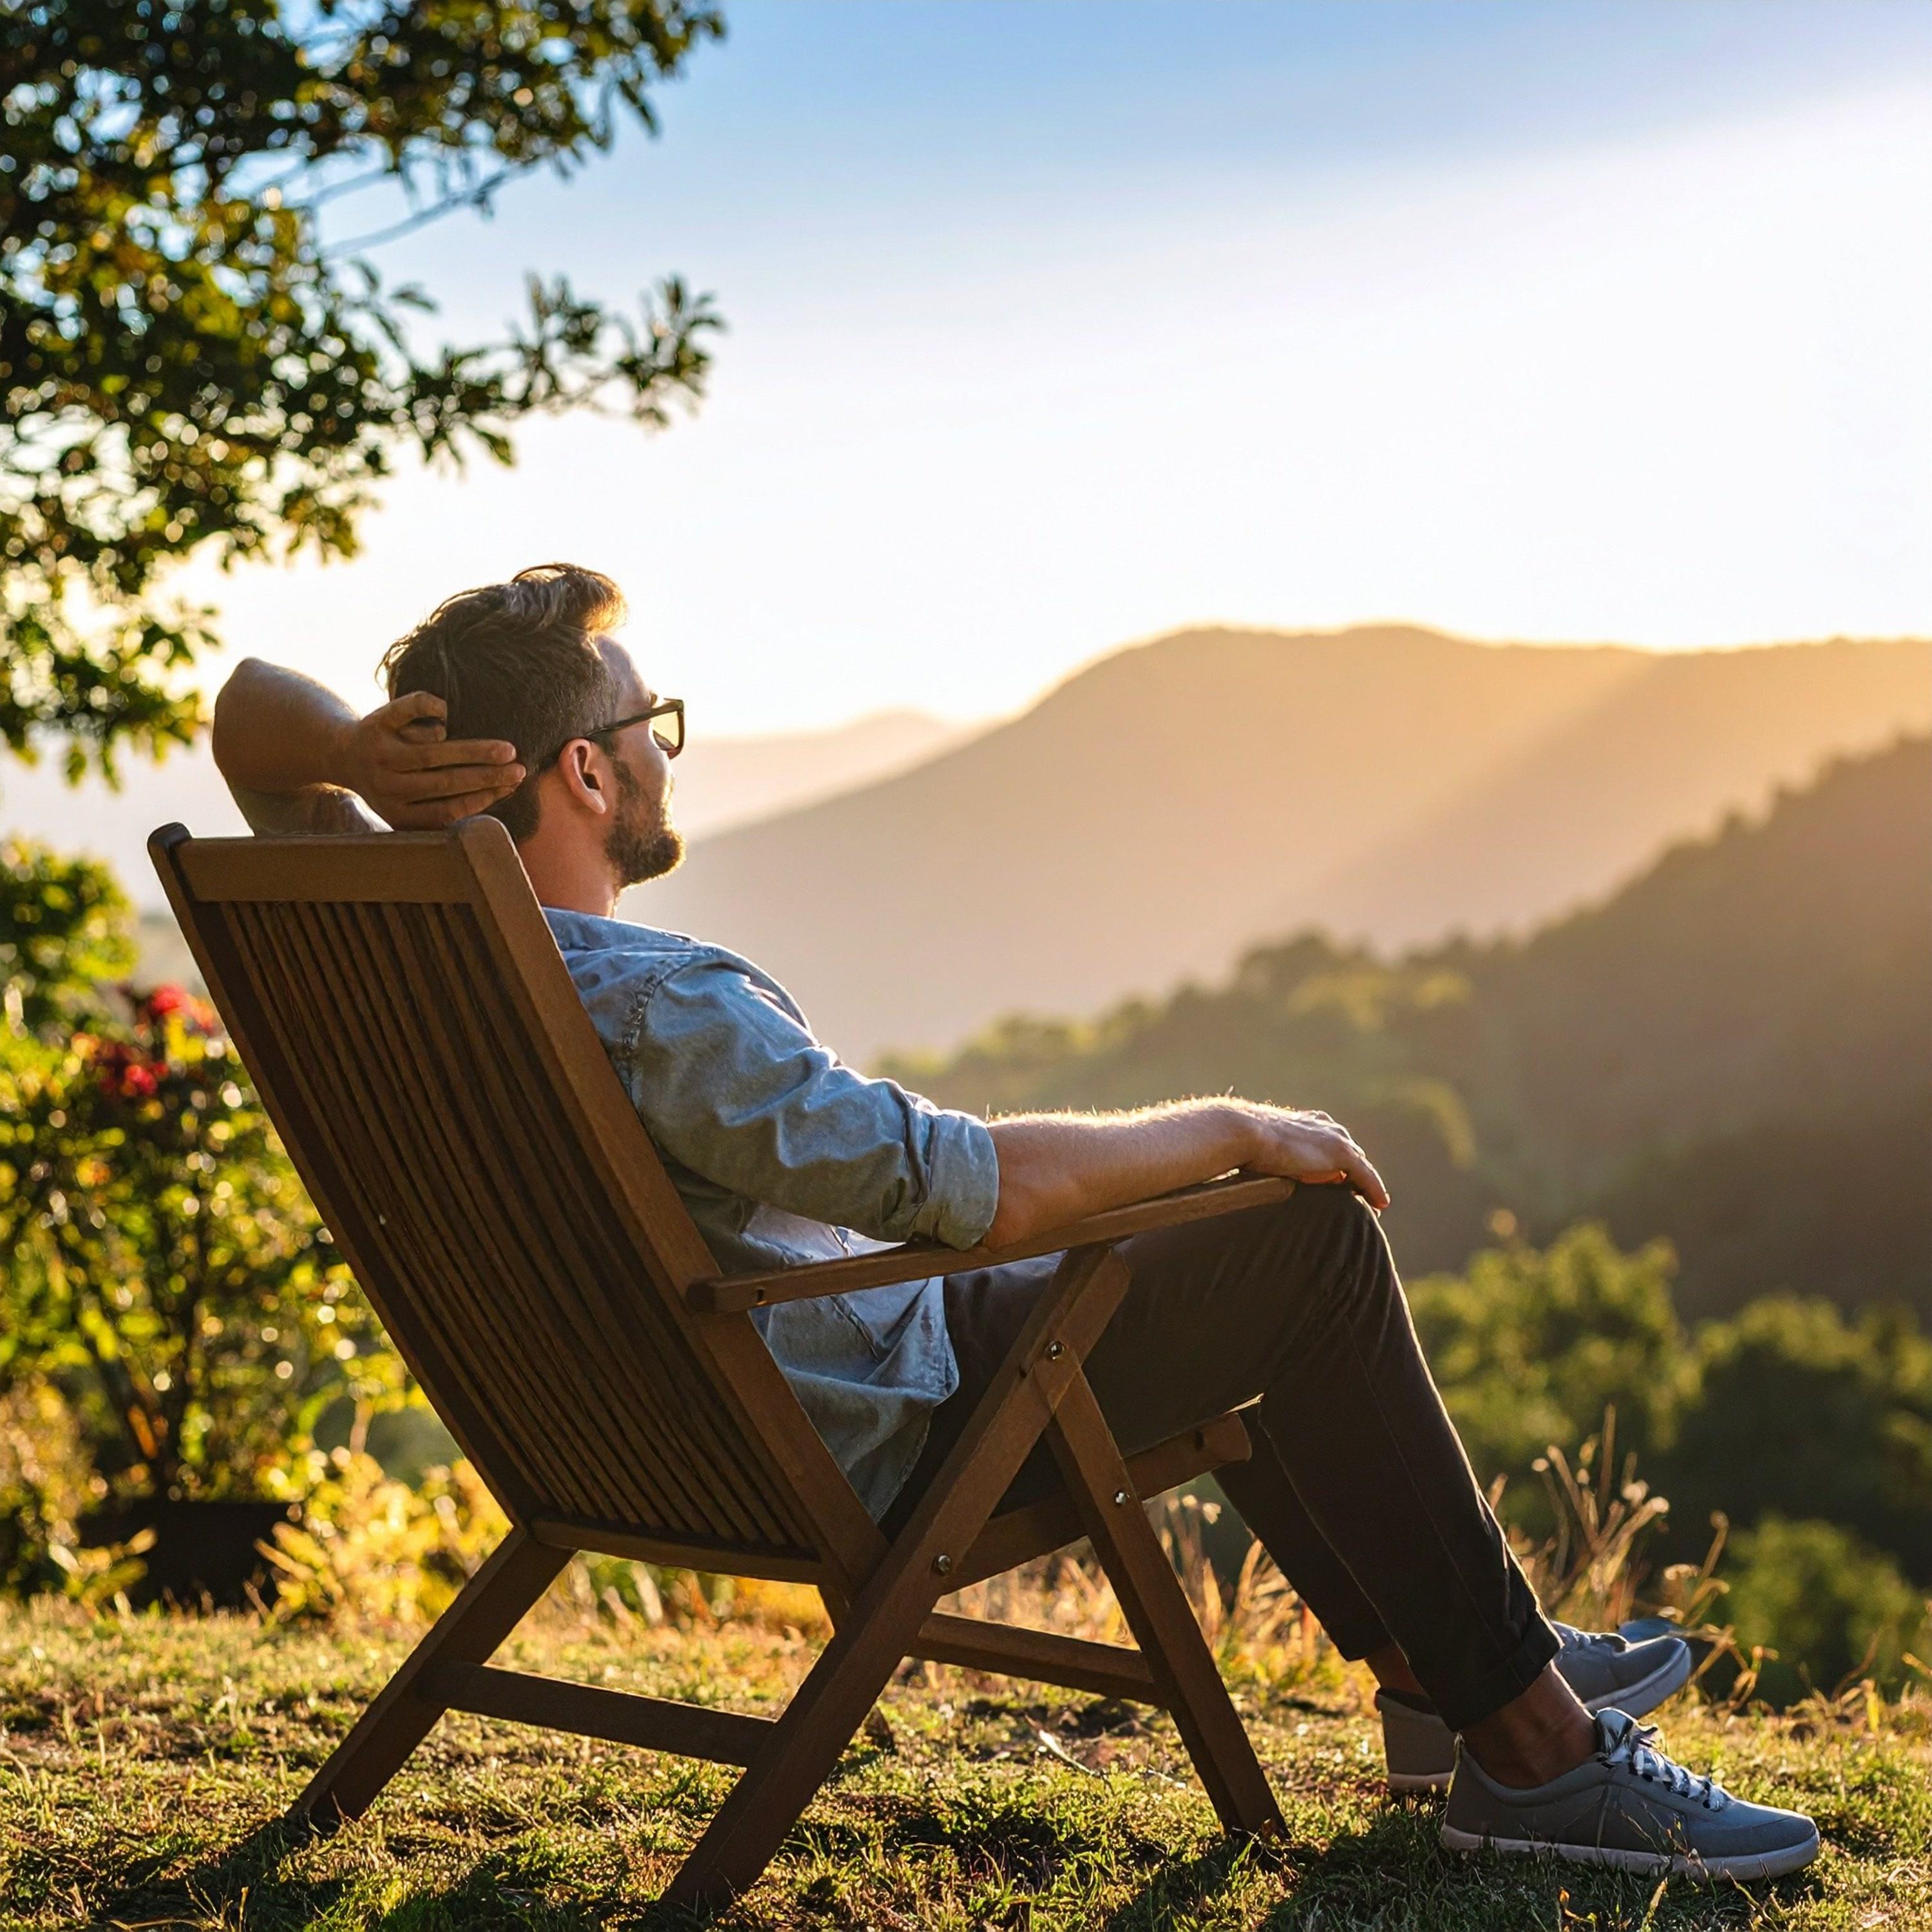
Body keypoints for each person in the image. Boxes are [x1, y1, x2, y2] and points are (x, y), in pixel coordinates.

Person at [211, 563, 1819, 1880]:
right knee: (1298, 1235)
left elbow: (242, 722)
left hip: (625, 1430)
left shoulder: (397, 946)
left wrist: (354, 755)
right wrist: (1238, 1125)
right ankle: (1533, 1756)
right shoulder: (659, 1007)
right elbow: (965, 1184)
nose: (662, 755)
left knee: (1226, 1256)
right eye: (652, 727)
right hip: (892, 1424)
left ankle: (1452, 1674)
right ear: (582, 770)